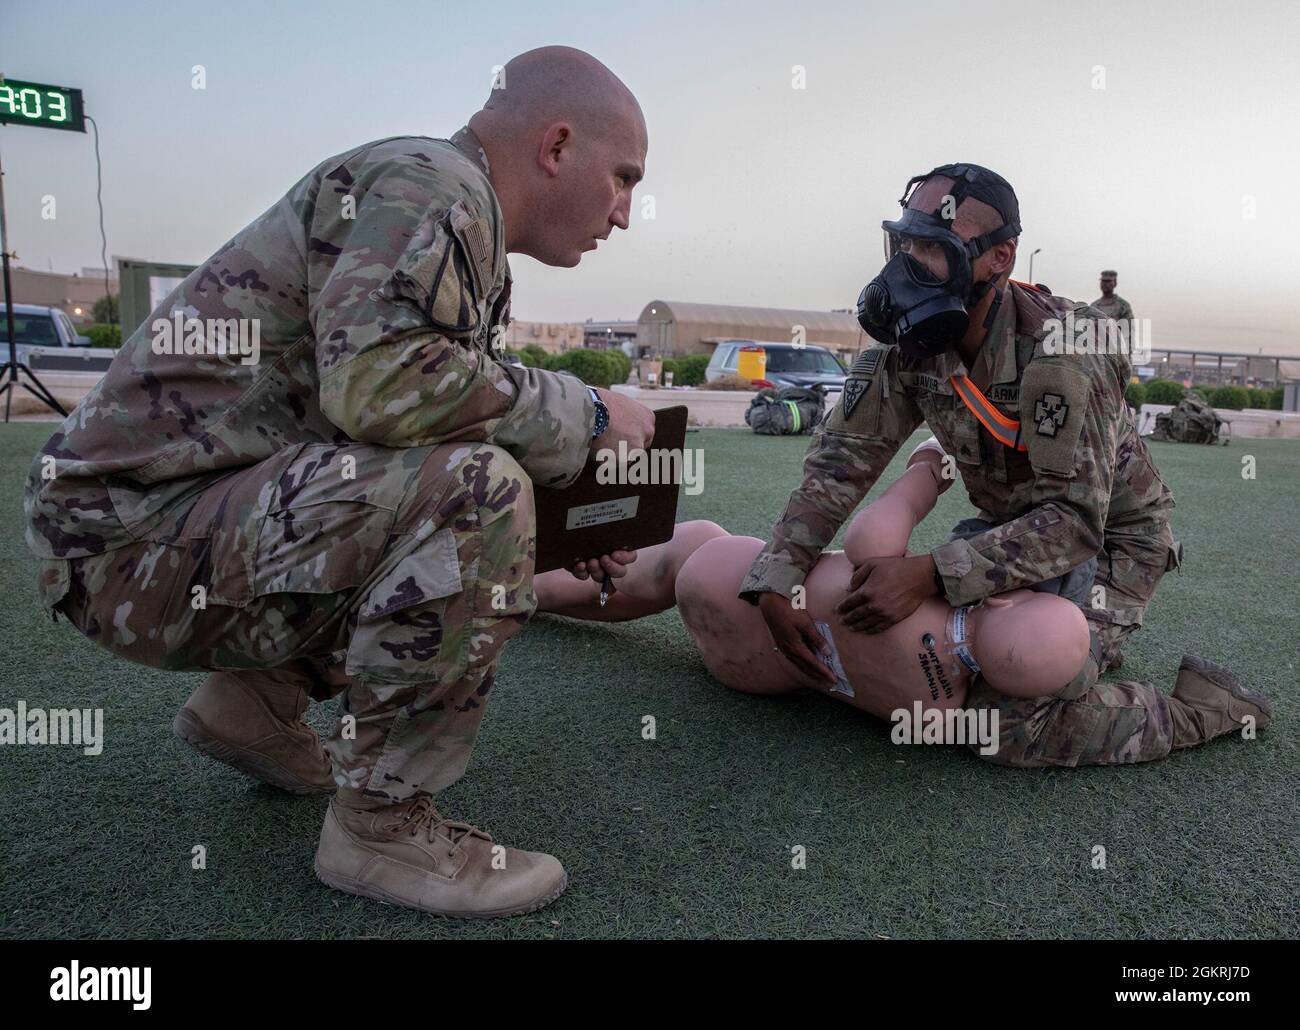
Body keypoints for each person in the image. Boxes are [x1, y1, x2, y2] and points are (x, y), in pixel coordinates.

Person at [24, 46, 656, 919]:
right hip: (130, 541)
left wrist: (567, 520)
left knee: (474, 486)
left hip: (164, 526)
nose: (624, 213)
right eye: (622, 178)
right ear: (555, 145)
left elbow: (409, 425)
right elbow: (385, 385)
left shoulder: (457, 216)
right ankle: (382, 827)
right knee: (478, 492)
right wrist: (585, 410)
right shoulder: (433, 183)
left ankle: (255, 704)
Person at [739, 162, 1271, 766]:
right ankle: (1068, 638)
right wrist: (777, 578)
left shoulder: (1065, 351)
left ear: (999, 258)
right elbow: (841, 463)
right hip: (1008, 531)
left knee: (1005, 728)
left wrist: (930, 574)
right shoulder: (913, 343)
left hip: (1111, 544)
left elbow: (1074, 521)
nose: (908, 267)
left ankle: (1203, 706)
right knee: (965, 655)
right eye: (904, 244)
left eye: (933, 249)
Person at [535, 439, 1268, 761]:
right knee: (1021, 726)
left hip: (746, 601)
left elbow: (874, 532)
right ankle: (529, 589)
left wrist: (926, 471)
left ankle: (526, 591)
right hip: (783, 668)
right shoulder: (954, 715)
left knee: (687, 554)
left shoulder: (1068, 389)